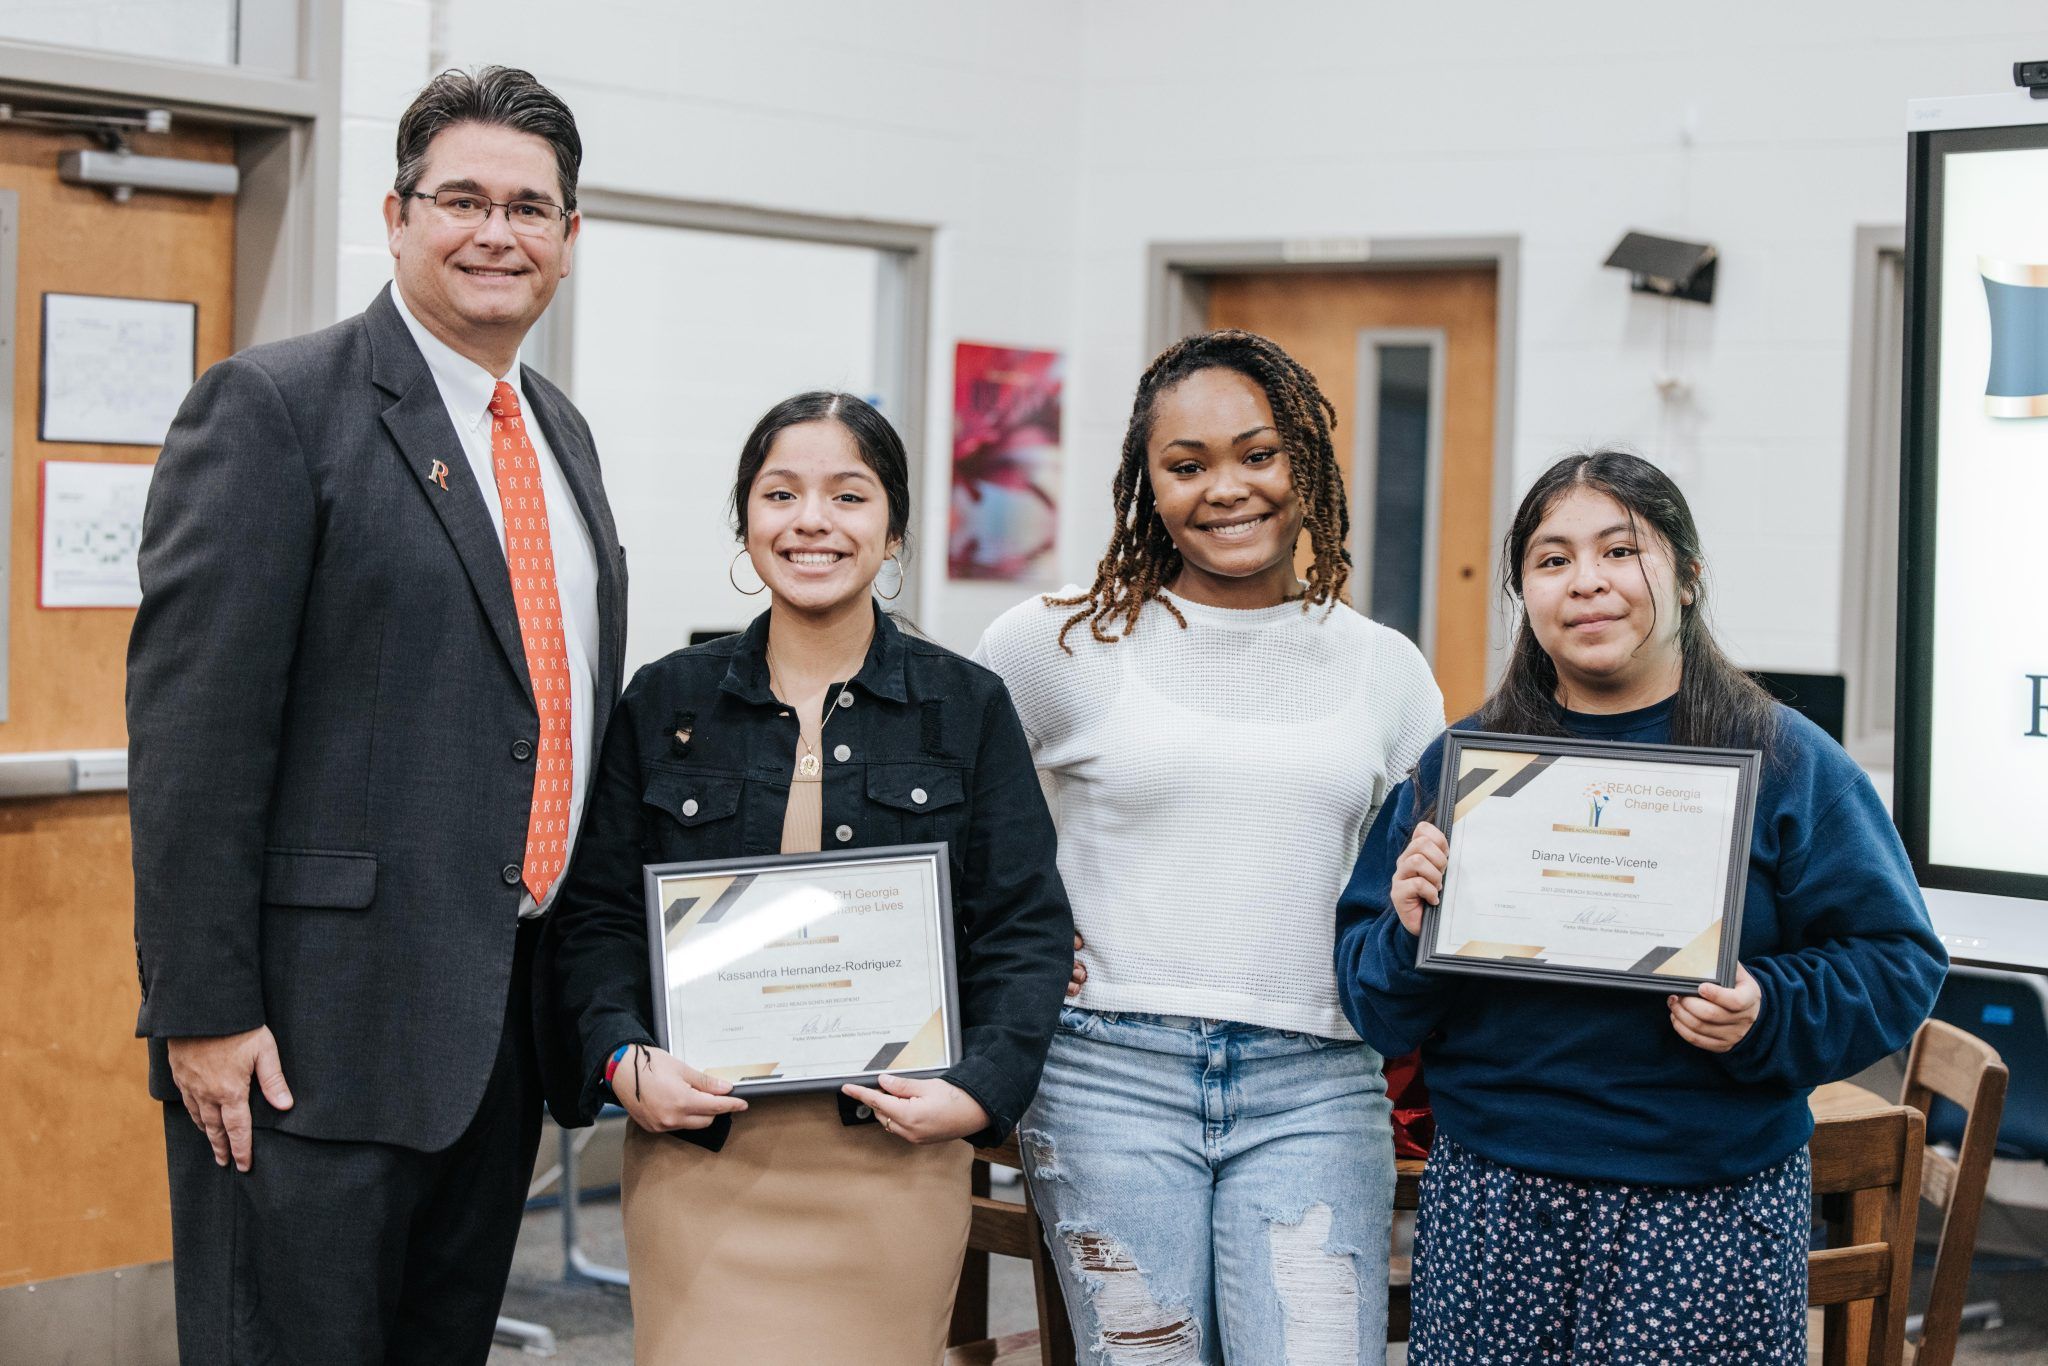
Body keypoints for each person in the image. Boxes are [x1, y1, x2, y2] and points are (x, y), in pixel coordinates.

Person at [127, 67, 622, 1363]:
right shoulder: (278, 409)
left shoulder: (559, 434)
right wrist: (204, 1008)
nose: (495, 231)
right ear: (397, 216)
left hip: (491, 1042)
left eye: (530, 206)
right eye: (461, 198)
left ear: (572, 240)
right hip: (304, 1044)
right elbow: (194, 739)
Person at [1335, 450, 1948, 1363]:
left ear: (1689, 577)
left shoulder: (1787, 760)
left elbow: (1899, 960)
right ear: (1525, 595)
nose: (1587, 583)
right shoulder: (1461, 769)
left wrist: (1767, 1009)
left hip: (1710, 1199)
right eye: (1552, 561)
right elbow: (1372, 1000)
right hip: (1498, 1197)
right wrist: (1407, 932)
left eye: (1621, 551)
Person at [546, 391, 1073, 1365]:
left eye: (848, 494)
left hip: (892, 1162)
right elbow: (595, 921)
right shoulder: (668, 701)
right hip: (698, 1160)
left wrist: (979, 1091)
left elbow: (1025, 931)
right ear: (745, 521)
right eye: (780, 493)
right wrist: (619, 1059)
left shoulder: (964, 709)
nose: (812, 522)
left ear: (893, 527)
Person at [975, 329, 1444, 1362]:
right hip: (1105, 1075)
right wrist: (1016, 953)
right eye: (1185, 467)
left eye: (1256, 454)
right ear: (1146, 487)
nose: (1224, 488)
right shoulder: (1050, 645)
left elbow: (1422, 896)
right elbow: (948, 827)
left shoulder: (1385, 669)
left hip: (1317, 1078)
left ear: (1305, 462)